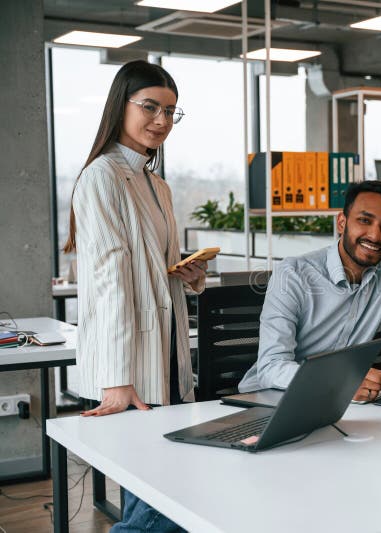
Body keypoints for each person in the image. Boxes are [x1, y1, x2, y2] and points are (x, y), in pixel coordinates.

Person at [64, 60, 205, 532]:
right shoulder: (102, 177)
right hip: (130, 368)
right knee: (158, 501)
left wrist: (188, 272)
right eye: (151, 107)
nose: (162, 121)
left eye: (171, 111)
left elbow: (152, 269)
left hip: (167, 357)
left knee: (168, 491)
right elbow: (108, 284)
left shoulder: (157, 184)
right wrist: (117, 377)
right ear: (120, 106)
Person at [238, 180, 381, 399]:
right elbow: (271, 367)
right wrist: (339, 381)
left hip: (345, 403)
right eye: (364, 220)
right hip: (272, 397)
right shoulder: (292, 274)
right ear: (342, 223)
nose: (375, 236)